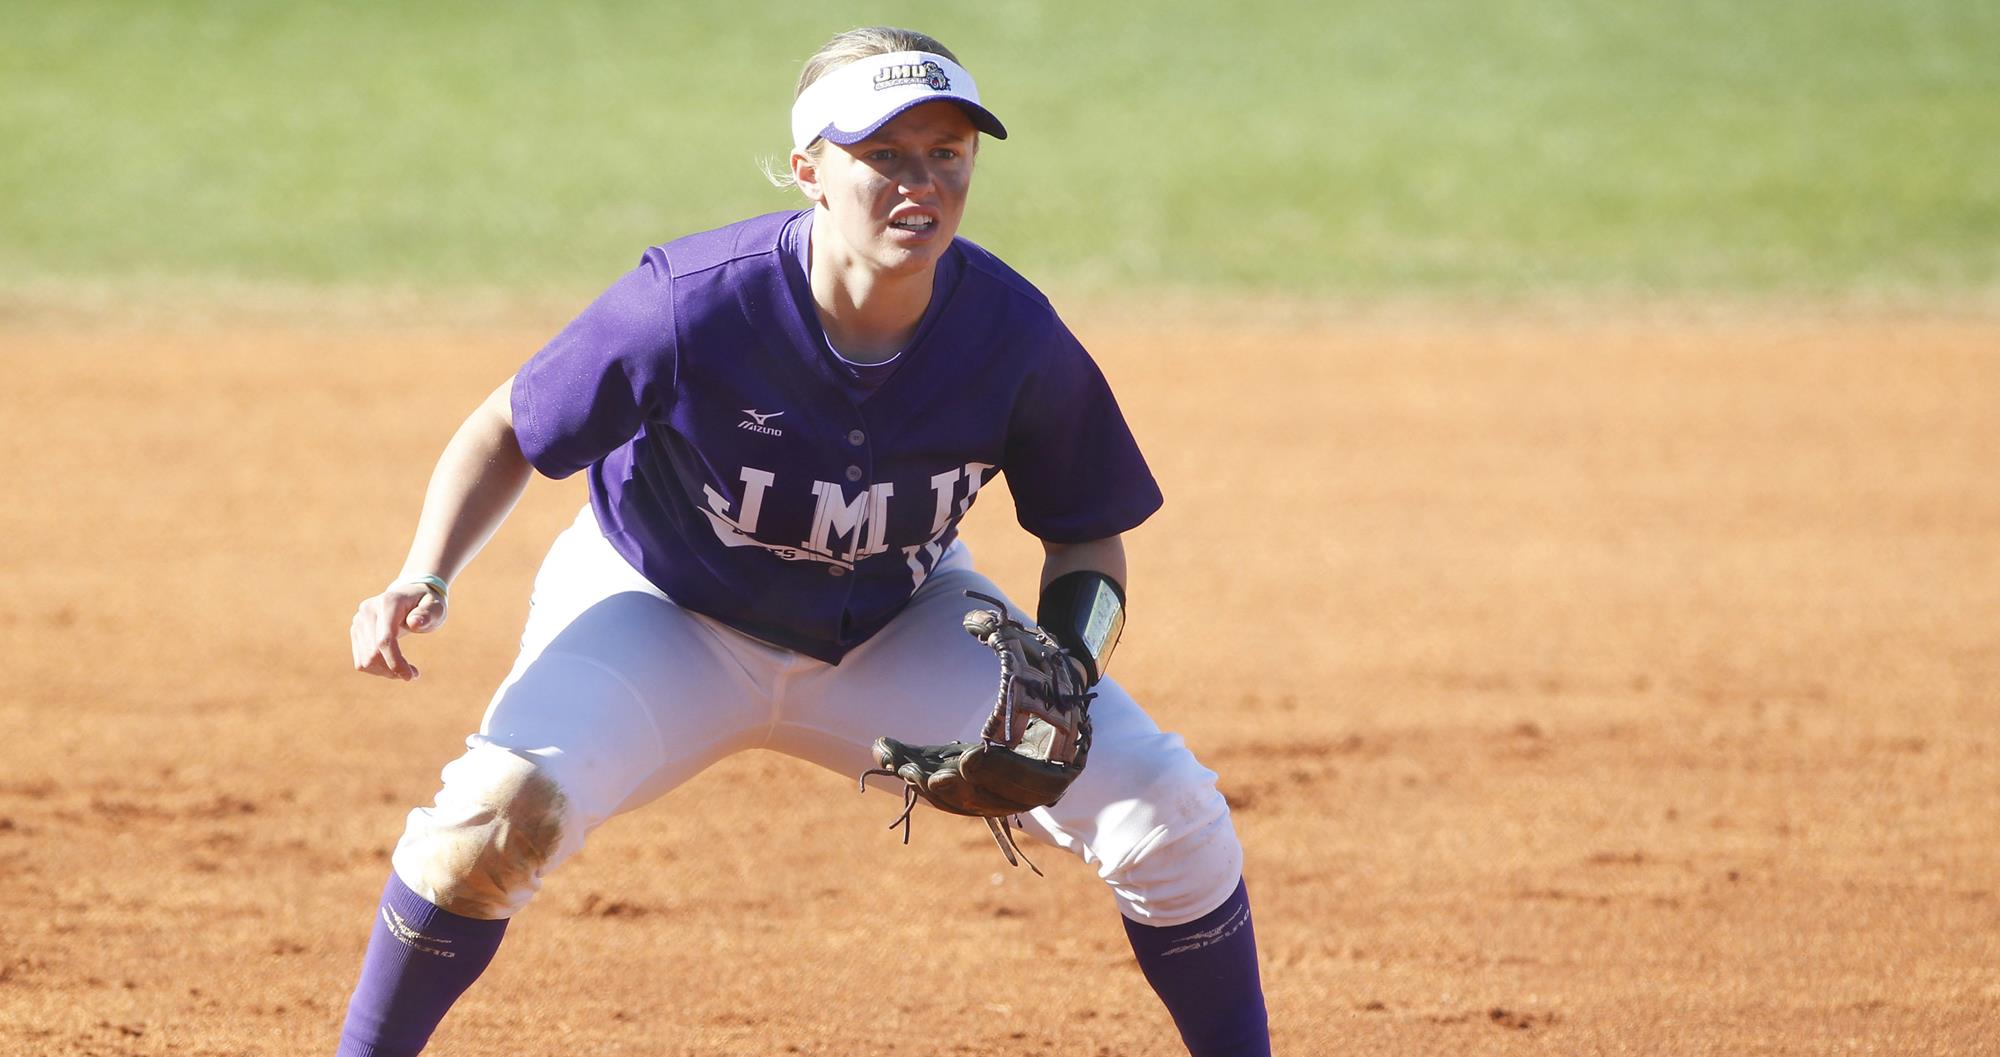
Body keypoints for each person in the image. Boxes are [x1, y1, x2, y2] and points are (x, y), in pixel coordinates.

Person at [337, 26, 1271, 1057]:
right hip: (659, 608)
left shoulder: (1012, 334)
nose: (922, 181)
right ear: (808, 171)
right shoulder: (692, 302)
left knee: (1170, 814)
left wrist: (1062, 674)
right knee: (491, 818)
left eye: (948, 153)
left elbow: (1084, 533)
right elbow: (510, 426)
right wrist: (424, 568)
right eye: (883, 156)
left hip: (896, 618)